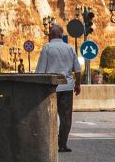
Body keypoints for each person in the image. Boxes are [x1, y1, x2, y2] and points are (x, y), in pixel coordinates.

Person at [35, 23, 82, 152]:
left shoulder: (47, 48)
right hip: (66, 87)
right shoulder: (70, 48)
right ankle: (62, 144)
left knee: (50, 116)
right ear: (61, 35)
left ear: (50, 35)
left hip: (51, 88)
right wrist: (77, 84)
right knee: (66, 118)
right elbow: (77, 70)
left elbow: (40, 71)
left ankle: (50, 143)